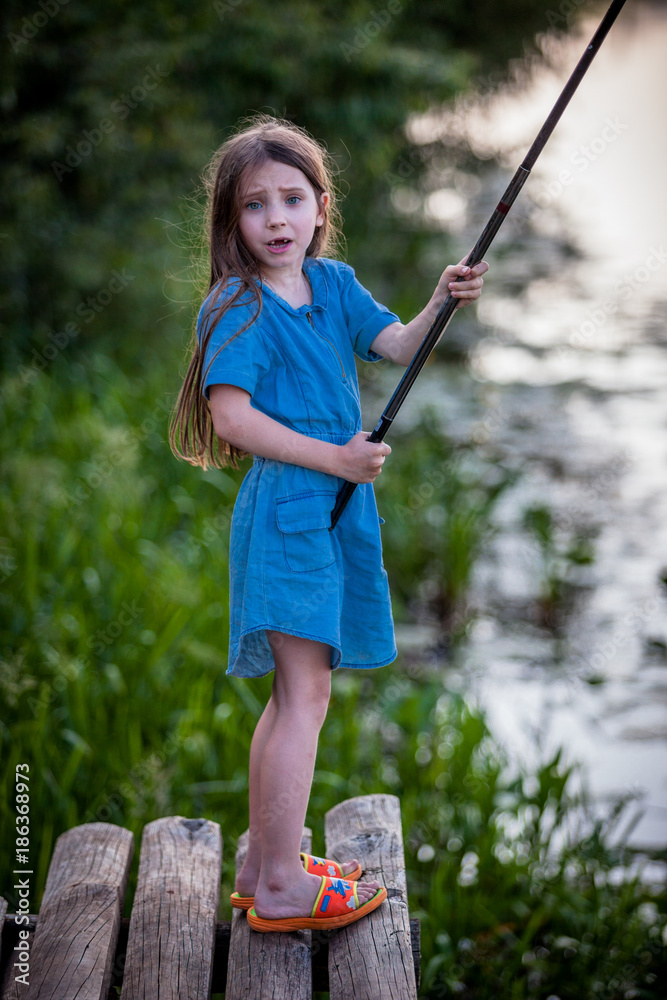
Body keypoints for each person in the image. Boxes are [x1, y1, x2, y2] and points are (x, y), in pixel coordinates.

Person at [169, 114, 488, 932]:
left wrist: (440, 301)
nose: (275, 219)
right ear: (231, 221)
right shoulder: (236, 305)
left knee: (294, 695)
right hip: (289, 509)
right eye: (253, 205)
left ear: (319, 206)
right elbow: (232, 419)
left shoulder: (334, 283)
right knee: (304, 694)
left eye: (291, 199)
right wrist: (335, 458)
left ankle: (260, 864)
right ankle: (281, 885)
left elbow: (397, 343)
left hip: (335, 508)